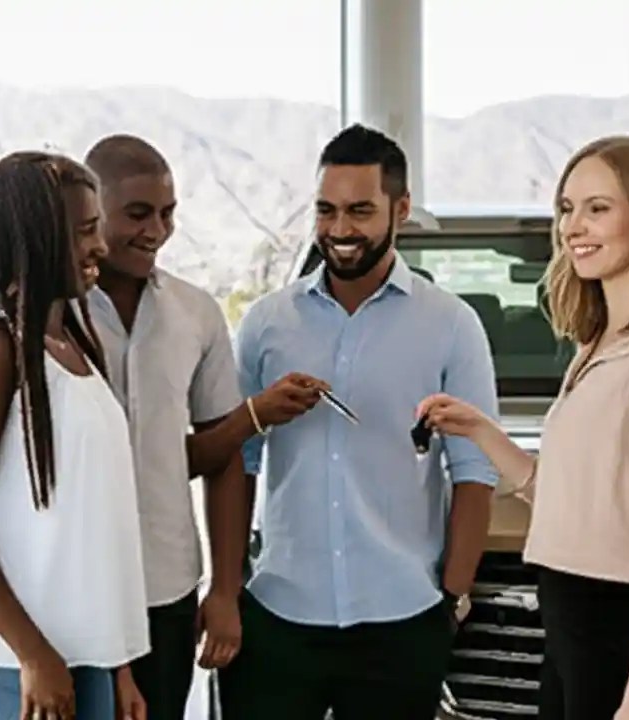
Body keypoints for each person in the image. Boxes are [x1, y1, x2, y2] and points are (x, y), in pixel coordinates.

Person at [416, 134, 629, 720]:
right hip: (571, 628)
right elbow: (572, 499)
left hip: (618, 639)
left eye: (598, 208)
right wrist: (478, 429)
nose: (573, 226)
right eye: (567, 208)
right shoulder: (598, 345)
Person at [217, 124, 500, 719]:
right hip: (277, 616)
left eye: (360, 211)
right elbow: (238, 463)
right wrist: (228, 586)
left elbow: (474, 473)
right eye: (326, 210)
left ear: (400, 209)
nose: (340, 229)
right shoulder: (267, 323)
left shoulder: (451, 325)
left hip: (402, 622)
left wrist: (450, 598)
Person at [81, 134, 328, 720]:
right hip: (74, 590)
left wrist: (224, 587)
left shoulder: (196, 314)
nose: (157, 231)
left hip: (165, 590)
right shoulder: (53, 312)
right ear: (92, 214)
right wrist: (256, 413)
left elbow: (220, 458)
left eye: (168, 214)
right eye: (137, 214)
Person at [0, 150, 148, 720]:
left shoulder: (71, 342)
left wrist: (116, 663)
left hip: (78, 656)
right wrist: (33, 655)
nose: (100, 246)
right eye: (84, 232)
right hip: (12, 665)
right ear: (36, 238)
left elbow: (92, 523)